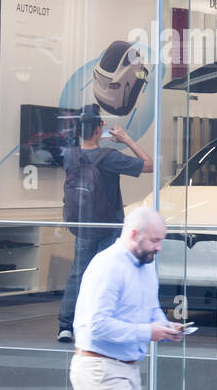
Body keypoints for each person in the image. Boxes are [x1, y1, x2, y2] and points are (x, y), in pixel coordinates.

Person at [69, 207, 182, 390]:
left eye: (161, 240)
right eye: (155, 240)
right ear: (134, 235)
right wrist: (147, 331)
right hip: (100, 368)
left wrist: (164, 326)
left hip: (125, 369)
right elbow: (96, 325)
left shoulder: (146, 264)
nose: (159, 247)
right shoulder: (108, 266)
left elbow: (151, 307)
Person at [57, 103, 153, 343]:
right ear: (100, 128)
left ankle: (66, 326)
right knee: (109, 275)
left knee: (78, 275)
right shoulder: (110, 158)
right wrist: (127, 139)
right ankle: (103, 324)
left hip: (82, 225)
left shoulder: (69, 155)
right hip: (108, 226)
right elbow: (150, 165)